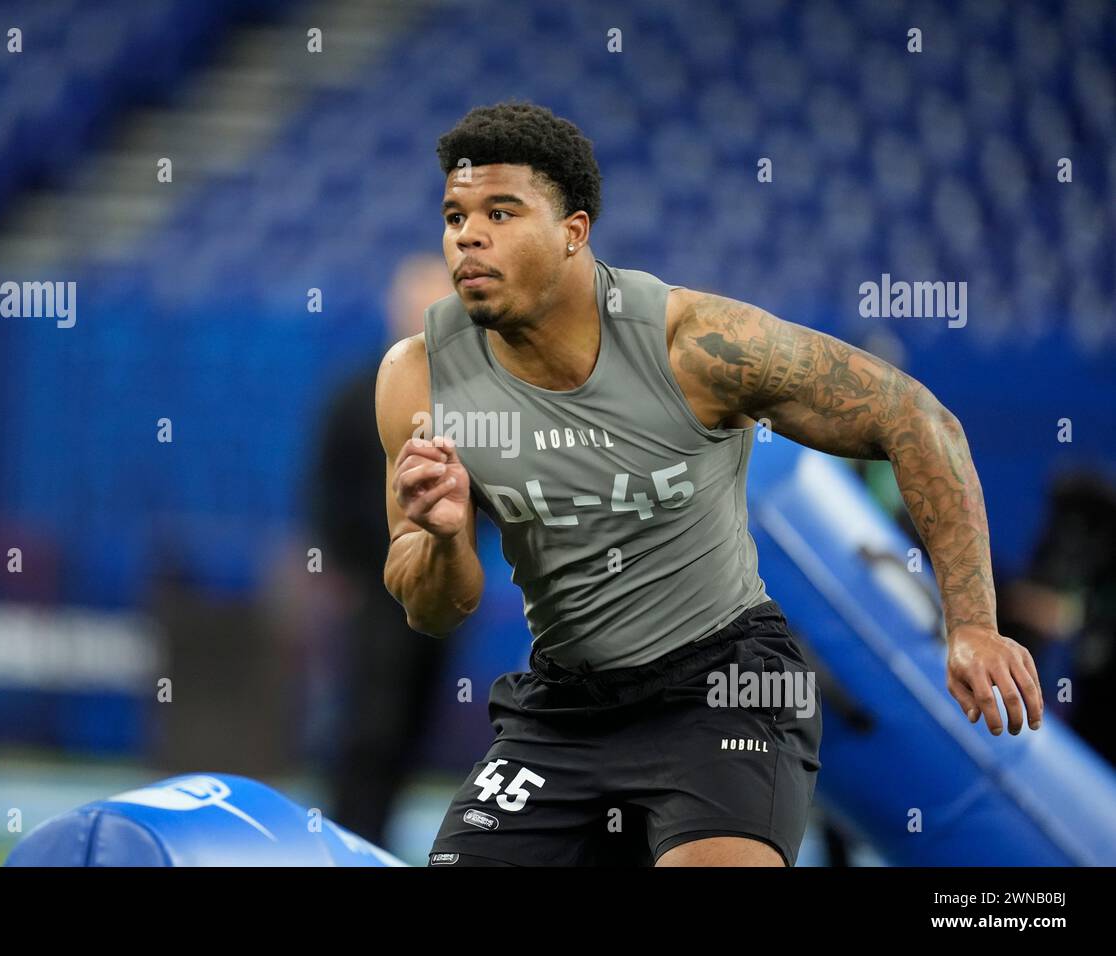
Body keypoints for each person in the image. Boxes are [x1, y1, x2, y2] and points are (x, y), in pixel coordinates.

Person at [375, 101, 1044, 867]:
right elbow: (435, 607)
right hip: (565, 708)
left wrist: (975, 624)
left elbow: (917, 420)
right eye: (455, 215)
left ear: (574, 233)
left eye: (501, 211)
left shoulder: (694, 345)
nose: (469, 235)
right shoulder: (419, 377)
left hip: (728, 687)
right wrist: (441, 534)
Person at [314, 254, 454, 848]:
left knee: (416, 724)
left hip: (441, 589)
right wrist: (353, 571)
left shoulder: (462, 401)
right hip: (377, 594)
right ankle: (348, 838)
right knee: (369, 724)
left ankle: (379, 841)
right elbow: (327, 493)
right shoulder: (355, 397)